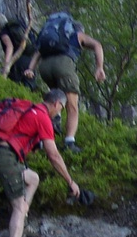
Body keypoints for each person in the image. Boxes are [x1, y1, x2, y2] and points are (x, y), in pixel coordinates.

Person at [0, 89, 81, 237]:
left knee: (32, 178)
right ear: (56, 104)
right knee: (19, 206)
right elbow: (53, 155)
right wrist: (70, 181)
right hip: (4, 158)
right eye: (61, 108)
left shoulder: (30, 109)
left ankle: (22, 221)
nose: (59, 113)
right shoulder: (43, 117)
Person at [24, 14, 106, 153]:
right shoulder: (78, 34)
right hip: (63, 66)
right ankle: (69, 142)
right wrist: (99, 67)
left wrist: (30, 69)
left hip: (45, 68)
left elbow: (38, 52)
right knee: (72, 106)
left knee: (55, 102)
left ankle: (44, 136)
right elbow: (97, 45)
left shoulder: (53, 38)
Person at [0, 13, 36, 88]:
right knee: (29, 84)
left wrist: (7, 64)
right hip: (29, 60)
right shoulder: (15, 27)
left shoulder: (4, 33)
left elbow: (9, 47)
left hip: (17, 61)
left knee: (15, 84)